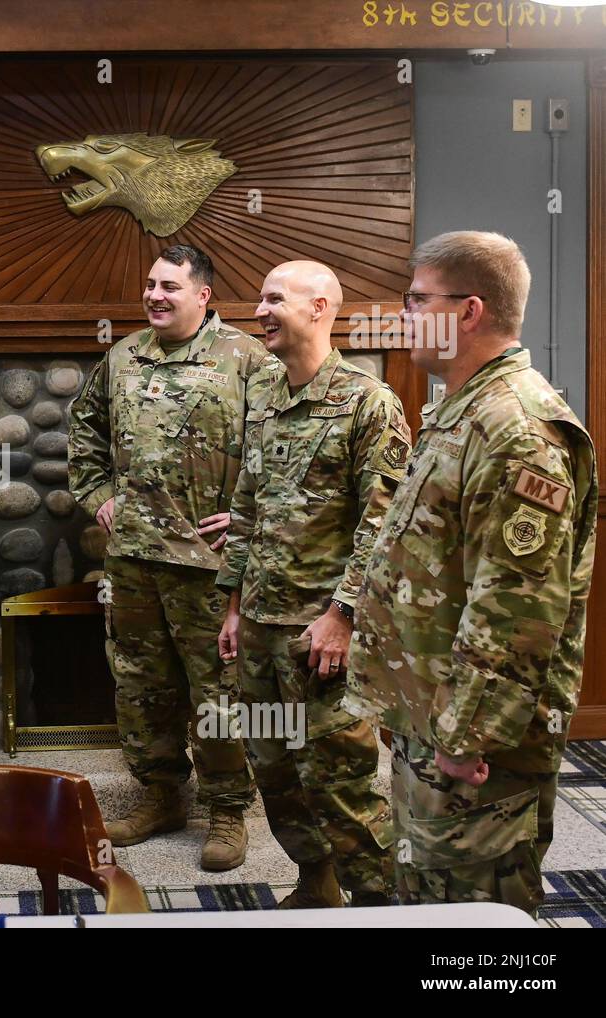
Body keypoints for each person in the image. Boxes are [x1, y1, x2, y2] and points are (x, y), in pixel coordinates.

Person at [345, 231, 597, 916]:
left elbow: (514, 613)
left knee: (478, 917)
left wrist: (466, 737)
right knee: (431, 898)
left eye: (416, 299)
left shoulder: (517, 428)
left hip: (477, 746)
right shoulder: (461, 409)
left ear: (468, 311)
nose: (401, 316)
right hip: (437, 717)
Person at [216, 260, 408, 907]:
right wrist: (234, 606)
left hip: (321, 637)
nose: (259, 311)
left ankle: (383, 912)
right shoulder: (265, 392)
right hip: (262, 633)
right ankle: (317, 886)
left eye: (275, 299)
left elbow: (383, 528)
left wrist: (344, 616)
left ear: (321, 307)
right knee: (276, 774)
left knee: (341, 785)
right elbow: (246, 507)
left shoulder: (369, 402)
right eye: (260, 299)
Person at [68, 244, 264, 869]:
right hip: (132, 560)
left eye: (170, 287)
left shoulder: (246, 358)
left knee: (218, 691)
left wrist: (249, 513)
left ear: (203, 295)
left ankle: (228, 808)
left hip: (211, 561)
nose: (155, 295)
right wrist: (98, 492)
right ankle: (160, 795)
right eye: (151, 284)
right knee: (140, 684)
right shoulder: (123, 357)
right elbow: (85, 430)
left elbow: (281, 440)